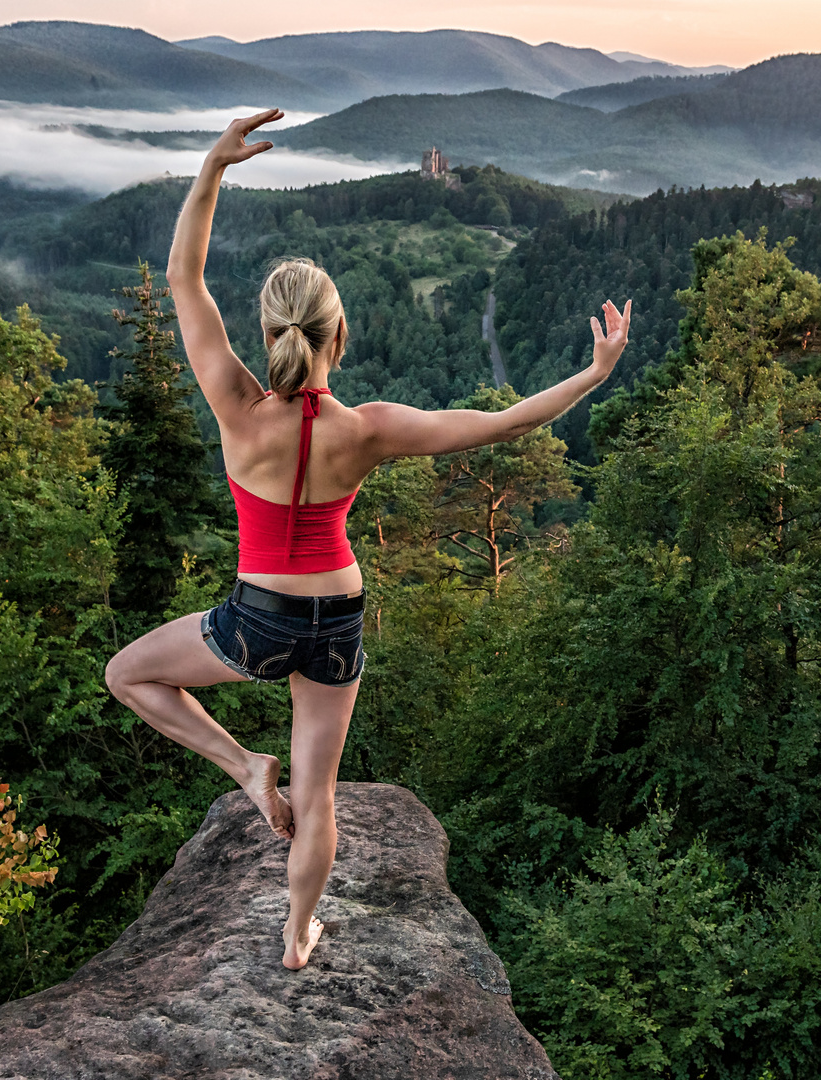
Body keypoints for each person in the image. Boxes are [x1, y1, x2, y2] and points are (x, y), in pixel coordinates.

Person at [104, 109, 631, 971]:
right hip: (340, 617)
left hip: (257, 619)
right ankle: (297, 936)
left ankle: (242, 766)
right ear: (338, 337)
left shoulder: (238, 410)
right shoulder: (372, 429)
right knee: (318, 797)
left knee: (128, 673)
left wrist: (214, 166)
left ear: (272, 336)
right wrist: (596, 371)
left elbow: (182, 278)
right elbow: (502, 423)